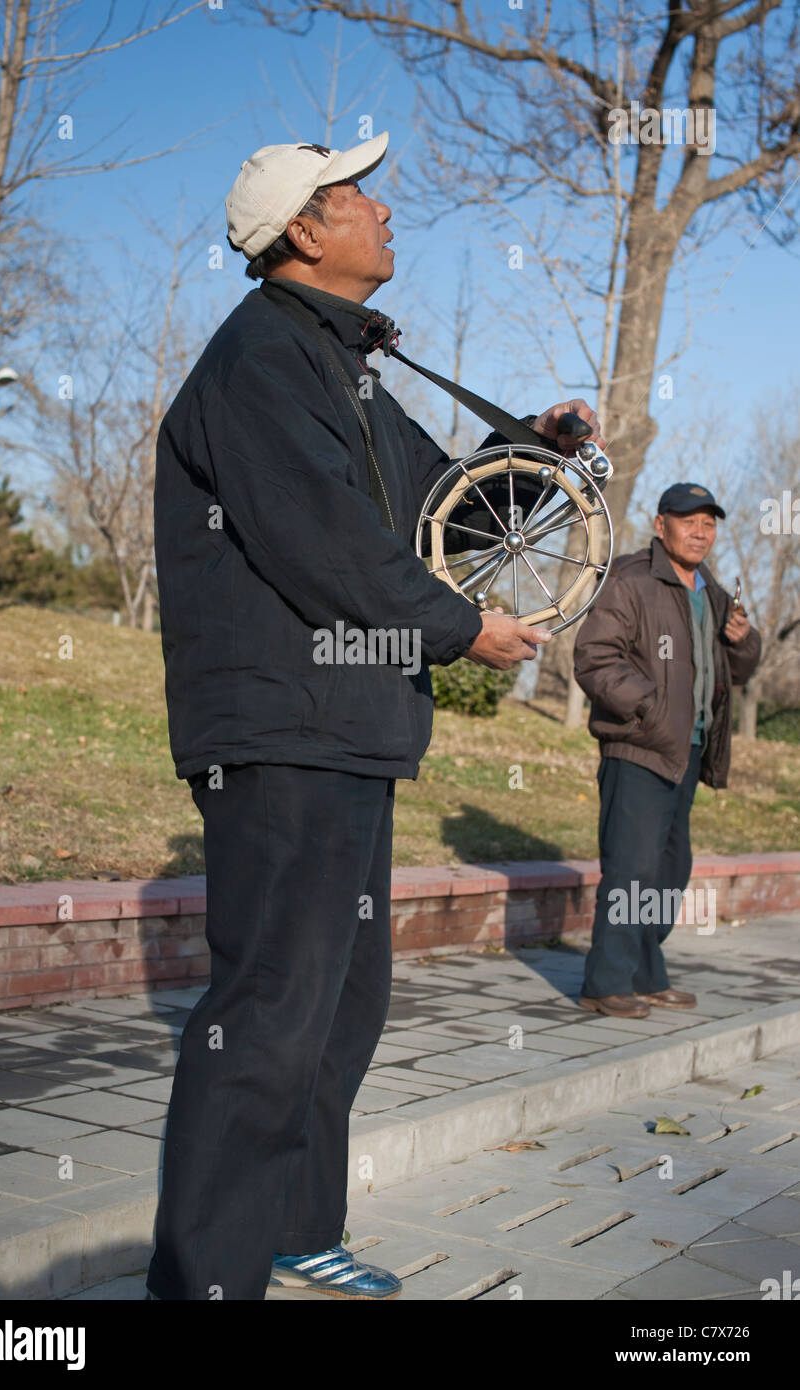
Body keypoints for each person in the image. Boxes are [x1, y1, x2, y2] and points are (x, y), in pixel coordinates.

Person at [147, 130, 604, 1301]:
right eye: (358, 193)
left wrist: (531, 456)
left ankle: (298, 1227)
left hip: (348, 728)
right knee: (266, 1012)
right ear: (305, 230)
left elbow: (439, 518)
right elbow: (329, 547)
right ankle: (202, 1277)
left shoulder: (342, 369)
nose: (384, 206)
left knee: (343, 1003)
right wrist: (466, 634)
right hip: (278, 730)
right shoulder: (258, 360)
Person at [573, 482, 762, 1019]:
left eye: (709, 522)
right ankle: (605, 982)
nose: (700, 531)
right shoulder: (633, 580)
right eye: (689, 520)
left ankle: (646, 974)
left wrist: (743, 639)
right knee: (630, 868)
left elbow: (739, 671)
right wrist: (649, 708)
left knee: (670, 870)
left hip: (690, 752)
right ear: (662, 526)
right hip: (639, 747)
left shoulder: (713, 590)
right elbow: (594, 657)